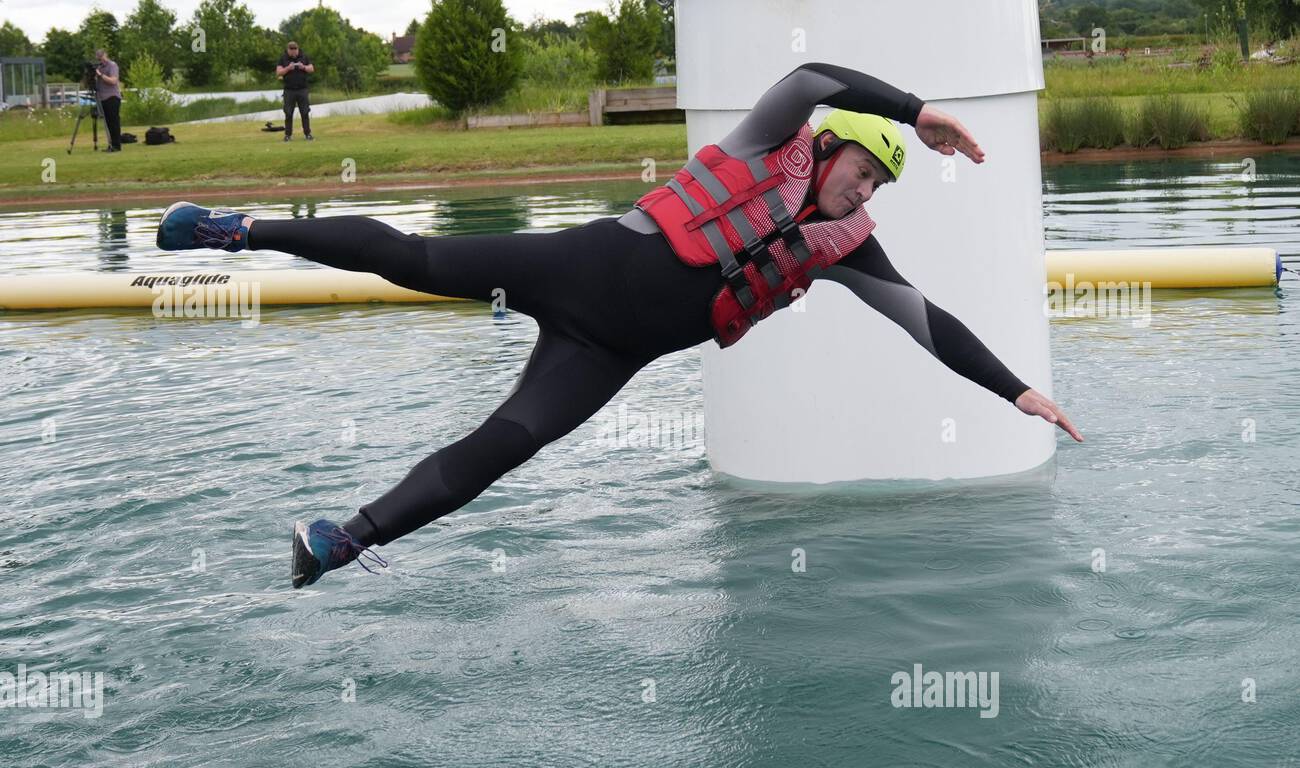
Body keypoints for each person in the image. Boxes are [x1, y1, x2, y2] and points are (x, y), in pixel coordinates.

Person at [153, 62, 1083, 589]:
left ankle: (341, 538)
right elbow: (814, 73)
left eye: (878, 187)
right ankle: (238, 228)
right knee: (418, 261)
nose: (864, 190)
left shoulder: (843, 247)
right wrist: (917, 113)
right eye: (864, 170)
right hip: (583, 264)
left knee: (500, 450)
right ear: (833, 145)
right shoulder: (772, 139)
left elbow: (931, 325)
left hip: (609, 354)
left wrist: (1019, 391)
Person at [276, 41, 315, 141]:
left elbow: (311, 69)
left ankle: (307, 133)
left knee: (305, 112)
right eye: (291, 49)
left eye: (295, 49)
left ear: (298, 49)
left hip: (302, 89)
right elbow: (279, 72)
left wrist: (304, 67)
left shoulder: (304, 57)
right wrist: (288, 68)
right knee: (288, 113)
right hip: (289, 90)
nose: (293, 51)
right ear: (288, 50)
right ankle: (288, 135)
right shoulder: (283, 58)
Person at [93, 49, 123, 153]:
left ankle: (116, 145)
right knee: (108, 124)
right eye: (99, 57)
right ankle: (111, 144)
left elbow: (113, 81)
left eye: (102, 57)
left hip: (112, 97)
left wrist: (100, 75)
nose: (101, 59)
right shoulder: (99, 67)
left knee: (114, 122)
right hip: (102, 98)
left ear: (106, 55)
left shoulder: (112, 65)